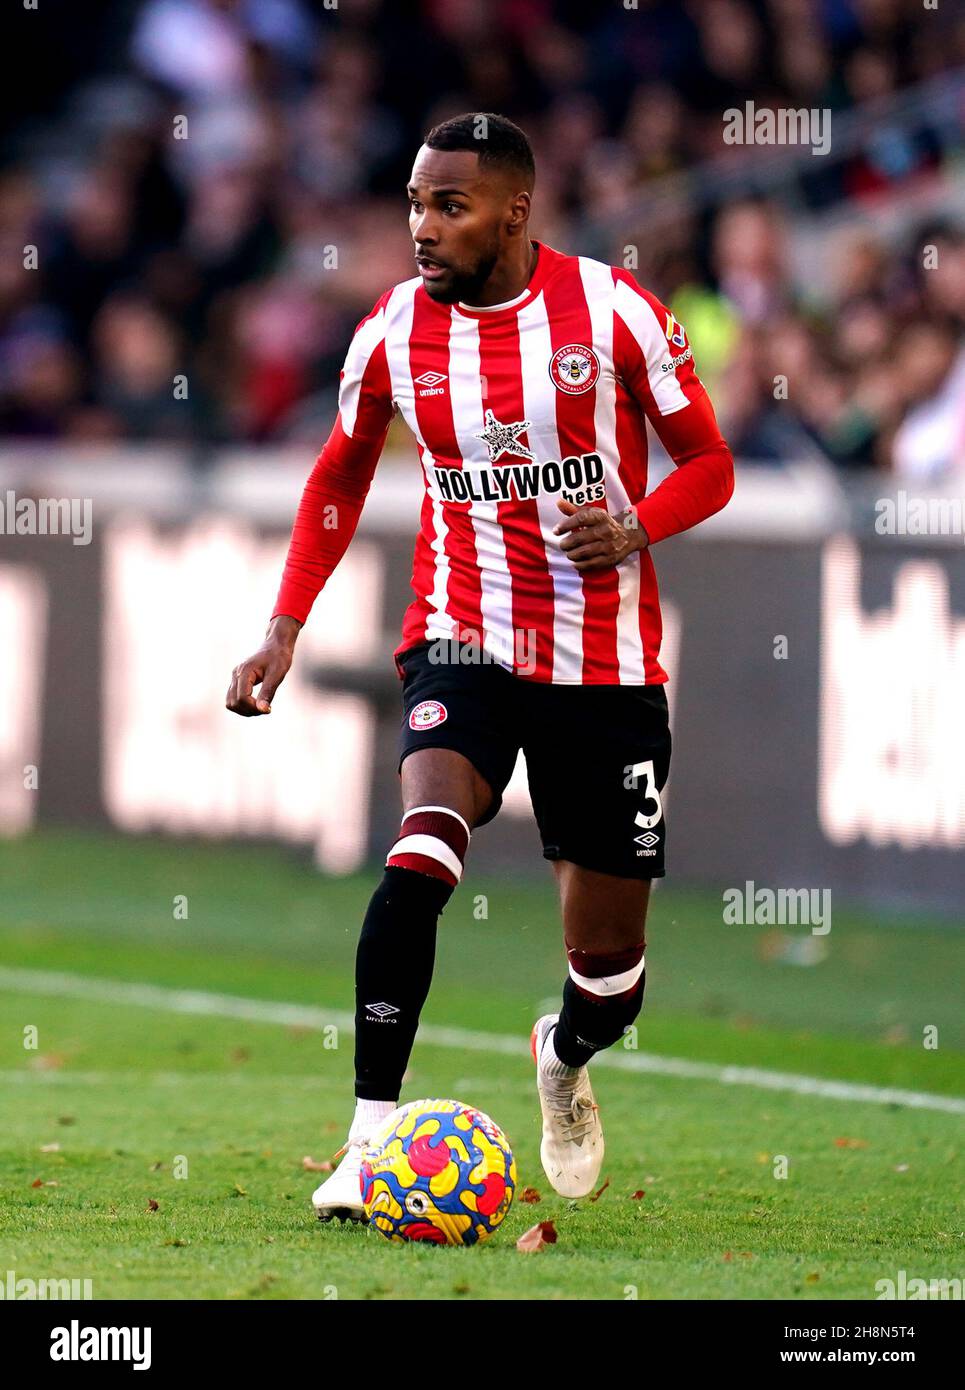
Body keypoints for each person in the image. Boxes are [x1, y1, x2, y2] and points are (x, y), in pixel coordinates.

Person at [226, 112, 734, 1219]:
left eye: (446, 206)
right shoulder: (392, 333)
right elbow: (335, 478)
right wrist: (284, 624)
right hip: (458, 636)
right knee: (422, 849)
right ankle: (366, 1139)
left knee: (611, 977)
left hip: (602, 667)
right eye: (413, 203)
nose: (420, 226)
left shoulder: (612, 313)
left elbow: (710, 464)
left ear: (514, 210)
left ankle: (564, 1054)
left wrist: (638, 526)